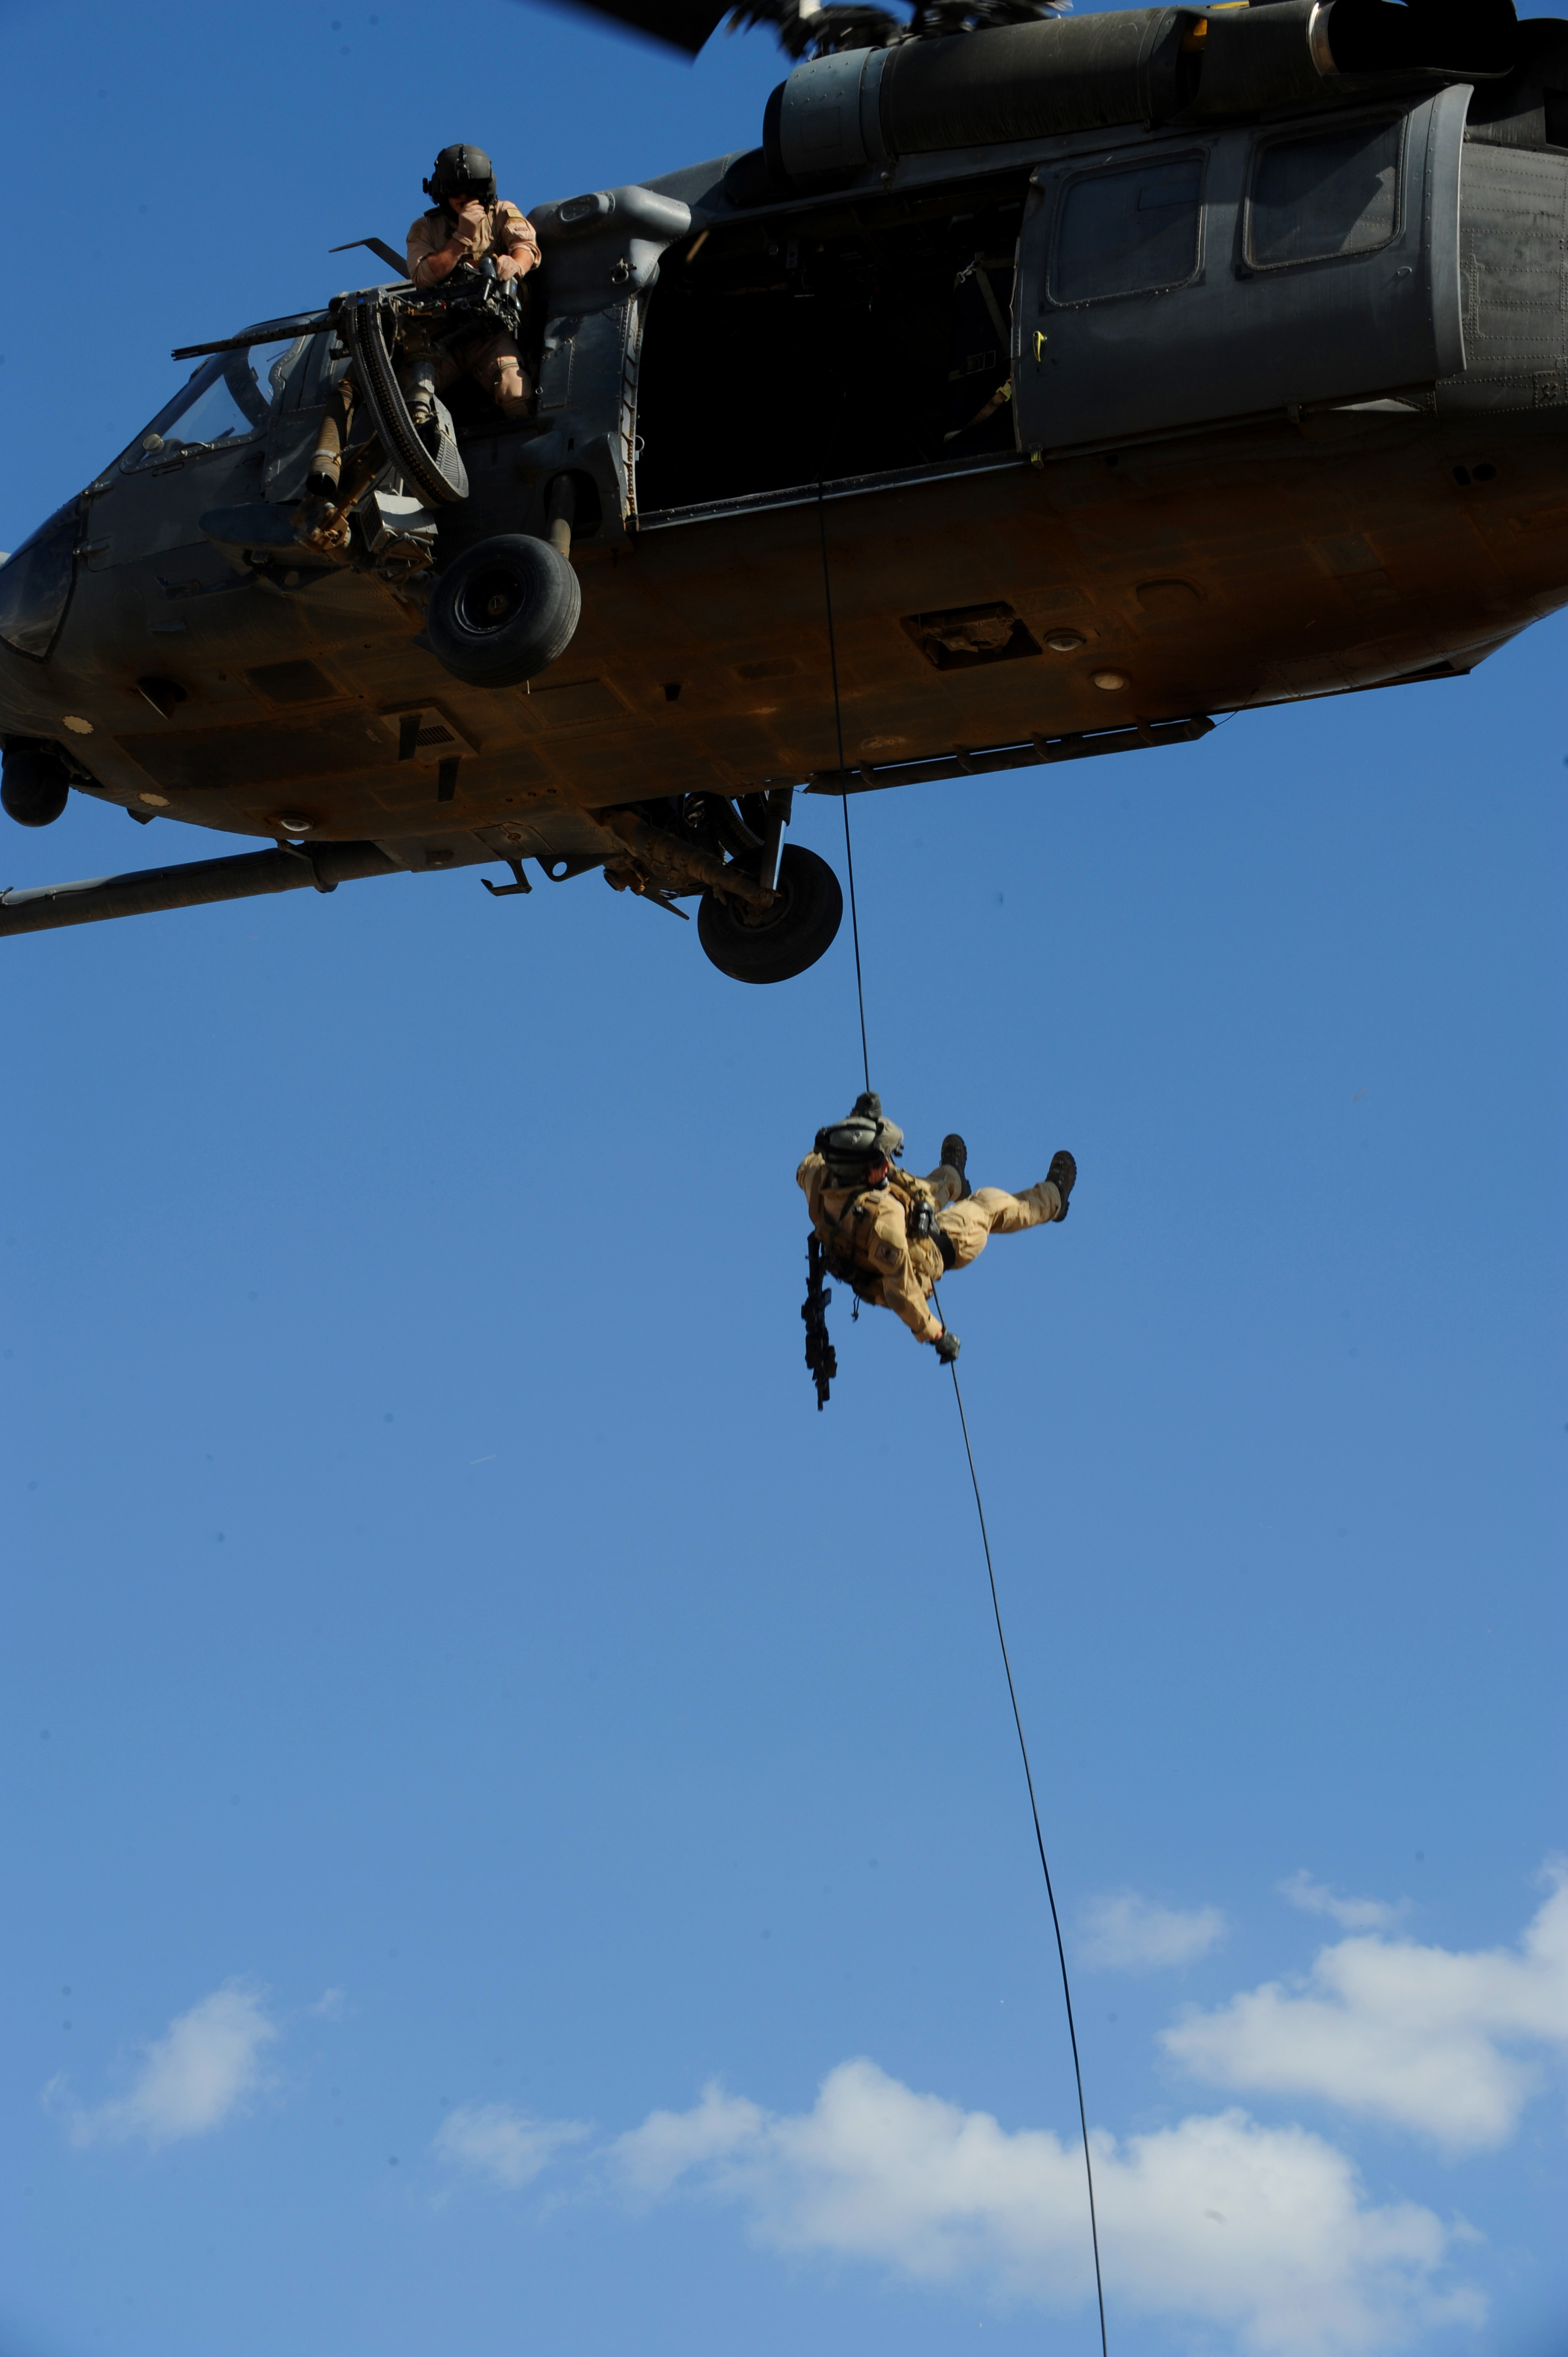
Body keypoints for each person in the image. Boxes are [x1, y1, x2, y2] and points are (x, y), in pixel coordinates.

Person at [797, 1093, 1076, 1363]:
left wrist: (857, 1122)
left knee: (925, 1190)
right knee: (987, 1204)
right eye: (880, 1162)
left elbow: (819, 1155)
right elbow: (901, 1290)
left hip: (878, 1236)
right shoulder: (885, 1217)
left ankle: (954, 1177)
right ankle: (1054, 1199)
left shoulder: (819, 1174)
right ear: (859, 1171)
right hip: (926, 1253)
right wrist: (935, 1333)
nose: (888, 1166)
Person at [402, 143, 540, 423]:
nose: (463, 196)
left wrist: (516, 264)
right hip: (442, 338)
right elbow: (423, 275)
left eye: (471, 188)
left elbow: (527, 246)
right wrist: (462, 237)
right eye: (454, 189)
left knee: (516, 393)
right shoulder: (425, 228)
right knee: (406, 400)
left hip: (490, 335)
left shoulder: (502, 212)